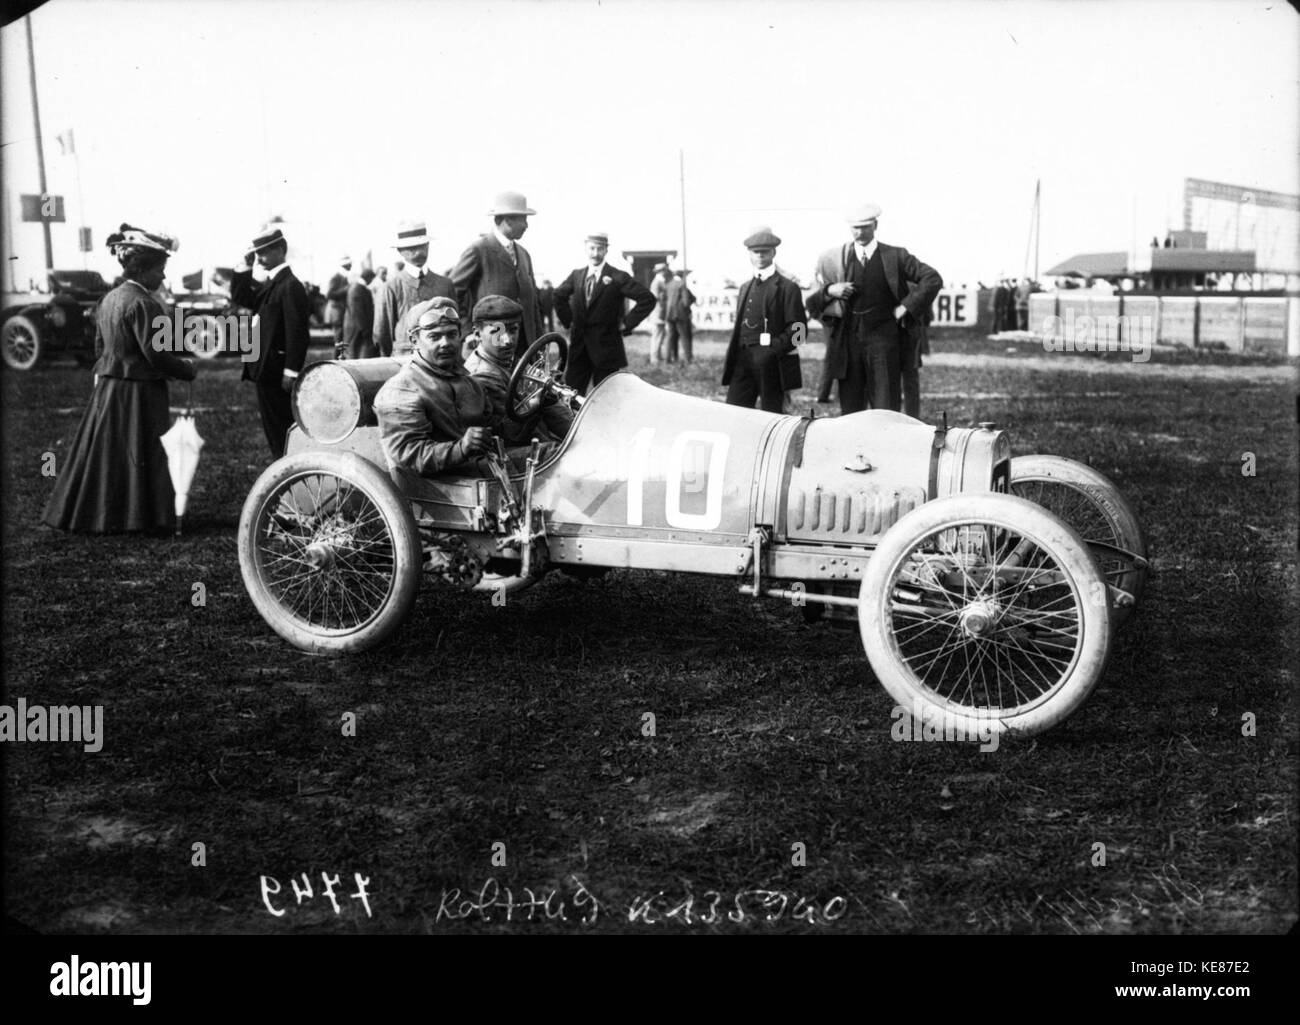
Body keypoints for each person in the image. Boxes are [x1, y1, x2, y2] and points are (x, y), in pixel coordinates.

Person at [43, 224, 197, 534]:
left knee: (107, 452)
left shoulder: (109, 299)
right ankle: (141, 517)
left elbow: (100, 348)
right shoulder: (145, 304)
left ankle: (98, 515)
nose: (163, 277)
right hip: (140, 392)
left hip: (109, 389)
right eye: (160, 270)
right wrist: (187, 369)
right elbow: (156, 355)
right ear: (142, 270)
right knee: (142, 452)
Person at [811, 204, 942, 414]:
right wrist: (830, 290)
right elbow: (811, 301)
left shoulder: (895, 256)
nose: (859, 232)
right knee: (851, 411)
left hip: (885, 341)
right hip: (849, 342)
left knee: (886, 408)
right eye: (855, 227)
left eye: (865, 227)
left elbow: (932, 278)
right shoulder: (834, 258)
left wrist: (907, 307)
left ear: (876, 225)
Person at [373, 302, 497, 479]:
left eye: (451, 334)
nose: (445, 343)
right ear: (414, 341)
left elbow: (496, 429)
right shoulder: (402, 390)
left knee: (549, 455)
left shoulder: (469, 382)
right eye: (434, 337)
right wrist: (461, 449)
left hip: (480, 470)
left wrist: (534, 408)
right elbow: (409, 454)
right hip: (442, 484)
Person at [230, 225, 312, 458]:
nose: (259, 257)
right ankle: (285, 473)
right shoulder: (272, 284)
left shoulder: (290, 286)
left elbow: (298, 333)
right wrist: (244, 266)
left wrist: (291, 371)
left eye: (265, 251)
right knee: (275, 432)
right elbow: (241, 297)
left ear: (281, 250)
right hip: (265, 370)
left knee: (281, 432)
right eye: (257, 252)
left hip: (277, 372)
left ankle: (288, 476)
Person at [553, 231, 656, 394]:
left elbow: (647, 299)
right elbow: (558, 295)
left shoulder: (617, 276)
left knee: (606, 398)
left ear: (606, 250)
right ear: (586, 249)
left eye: (600, 249)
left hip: (606, 349)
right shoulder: (576, 275)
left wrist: (627, 323)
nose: (595, 253)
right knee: (571, 395)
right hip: (579, 349)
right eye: (592, 248)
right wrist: (569, 321)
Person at [464, 295, 573, 447]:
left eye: (513, 330)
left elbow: (550, 411)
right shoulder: (481, 377)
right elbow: (512, 434)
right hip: (510, 450)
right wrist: (533, 401)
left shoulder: (506, 359)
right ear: (477, 334)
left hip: (537, 434)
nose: (507, 340)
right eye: (497, 332)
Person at [721, 228, 806, 414]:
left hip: (772, 362)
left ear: (773, 253)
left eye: (765, 251)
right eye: (755, 252)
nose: (760, 256)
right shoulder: (744, 287)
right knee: (734, 413)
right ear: (749, 254)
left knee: (772, 416)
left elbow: (800, 330)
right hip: (742, 360)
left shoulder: (788, 287)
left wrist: (773, 349)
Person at [451, 191, 543, 352]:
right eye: (523, 220)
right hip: (494, 339)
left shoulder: (523, 254)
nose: (527, 226)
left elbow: (533, 303)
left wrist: (539, 341)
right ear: (506, 220)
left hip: (525, 343)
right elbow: (452, 291)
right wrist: (466, 331)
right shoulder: (479, 250)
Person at [374, 221, 455, 357]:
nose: (418, 252)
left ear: (428, 245)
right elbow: (382, 335)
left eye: (422, 246)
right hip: (405, 360)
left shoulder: (445, 284)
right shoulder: (390, 287)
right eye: (411, 248)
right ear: (400, 251)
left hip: (442, 361)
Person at [664, 269, 696, 363]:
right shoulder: (682, 284)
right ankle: (688, 359)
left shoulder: (669, 284)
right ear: (683, 276)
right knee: (685, 336)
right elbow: (686, 302)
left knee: (671, 337)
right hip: (681, 315)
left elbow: (664, 298)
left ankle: (670, 358)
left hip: (669, 314)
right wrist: (691, 301)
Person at [343, 268, 376, 359]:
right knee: (355, 353)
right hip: (356, 327)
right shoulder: (357, 289)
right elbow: (357, 312)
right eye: (372, 279)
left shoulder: (359, 288)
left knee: (357, 352)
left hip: (358, 326)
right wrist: (364, 329)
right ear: (368, 278)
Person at [325, 256, 352, 358]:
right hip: (337, 312)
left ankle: (339, 358)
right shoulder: (336, 277)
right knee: (339, 338)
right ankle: (336, 360)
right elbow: (329, 294)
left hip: (341, 311)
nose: (351, 266)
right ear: (346, 265)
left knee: (342, 338)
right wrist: (345, 290)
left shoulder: (343, 277)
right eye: (350, 265)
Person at [648, 262, 673, 363]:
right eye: (663, 271)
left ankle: (657, 356)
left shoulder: (659, 281)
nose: (664, 272)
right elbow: (655, 297)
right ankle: (654, 358)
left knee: (660, 335)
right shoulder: (657, 282)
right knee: (657, 335)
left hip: (659, 311)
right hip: (658, 311)